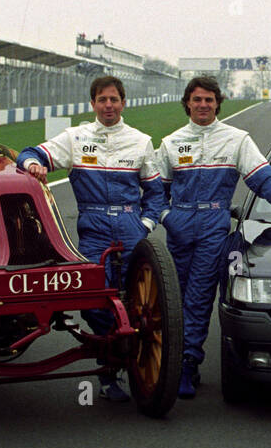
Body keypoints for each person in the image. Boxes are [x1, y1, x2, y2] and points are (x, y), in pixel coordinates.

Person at [154, 76, 271, 398]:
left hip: (213, 223)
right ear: (187, 103)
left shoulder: (236, 139)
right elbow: (155, 190)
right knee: (173, 297)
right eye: (197, 99)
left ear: (218, 104)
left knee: (199, 296)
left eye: (209, 100)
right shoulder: (171, 142)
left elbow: (263, 179)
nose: (203, 105)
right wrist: (166, 218)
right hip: (179, 224)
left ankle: (187, 363)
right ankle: (175, 361)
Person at [17, 75, 166, 402]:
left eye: (114, 99)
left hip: (130, 225)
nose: (108, 106)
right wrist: (33, 164)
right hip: (93, 227)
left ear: (123, 103)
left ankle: (127, 370)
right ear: (93, 104)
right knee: (94, 299)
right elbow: (29, 153)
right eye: (102, 100)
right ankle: (112, 363)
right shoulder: (75, 137)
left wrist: (144, 225)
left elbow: (156, 193)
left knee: (136, 301)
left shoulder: (141, 141)